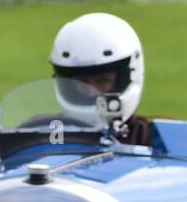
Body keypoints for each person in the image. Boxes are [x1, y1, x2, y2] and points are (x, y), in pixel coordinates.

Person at [49, 12, 159, 145]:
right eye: (82, 82)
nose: (91, 92)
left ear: (131, 75)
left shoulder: (153, 139)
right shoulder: (49, 132)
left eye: (103, 81)